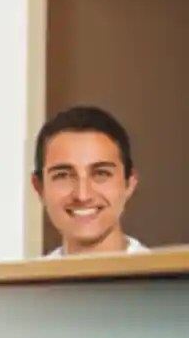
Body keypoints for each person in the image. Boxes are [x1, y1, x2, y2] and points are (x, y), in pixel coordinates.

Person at [32, 106, 148, 257]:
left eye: (101, 173)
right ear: (39, 188)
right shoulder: (26, 280)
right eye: (63, 176)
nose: (82, 195)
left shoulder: (169, 278)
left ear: (129, 183)